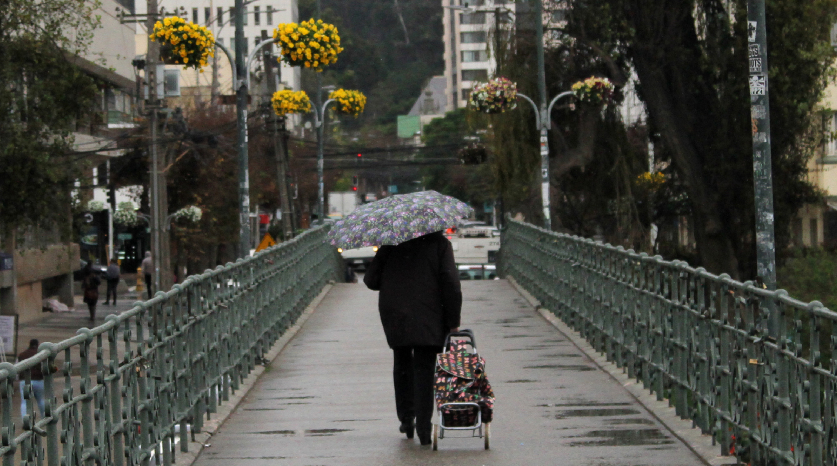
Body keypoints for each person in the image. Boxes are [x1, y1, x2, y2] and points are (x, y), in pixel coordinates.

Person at [363, 231, 462, 446]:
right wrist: (453, 320)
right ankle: (424, 428)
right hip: (430, 313)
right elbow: (450, 283)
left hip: (396, 313)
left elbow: (371, 280)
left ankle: (406, 418)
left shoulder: (391, 243)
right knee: (425, 368)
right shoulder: (439, 244)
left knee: (402, 364)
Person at [17, 339, 45, 417]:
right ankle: (45, 417)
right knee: (41, 400)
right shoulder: (41, 355)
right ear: (38, 345)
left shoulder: (22, 355)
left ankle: (25, 420)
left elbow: (17, 368)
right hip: (38, 380)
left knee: (24, 402)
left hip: (25, 381)